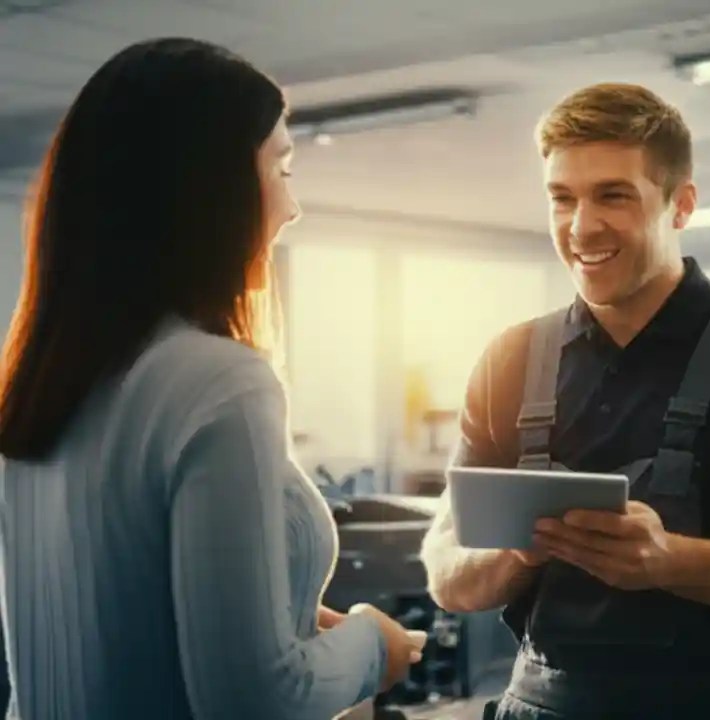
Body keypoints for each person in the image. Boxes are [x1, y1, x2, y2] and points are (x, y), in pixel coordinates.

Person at [0, 38, 420, 719]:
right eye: (282, 169)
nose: (293, 207)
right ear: (211, 190)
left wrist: (281, 612)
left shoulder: (42, 386)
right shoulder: (221, 382)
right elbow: (256, 699)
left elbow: (110, 634)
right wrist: (376, 647)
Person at [421, 83, 710, 719]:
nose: (581, 226)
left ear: (681, 205)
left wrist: (668, 560)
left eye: (613, 196)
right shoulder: (510, 361)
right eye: (562, 199)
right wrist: (517, 548)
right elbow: (446, 574)